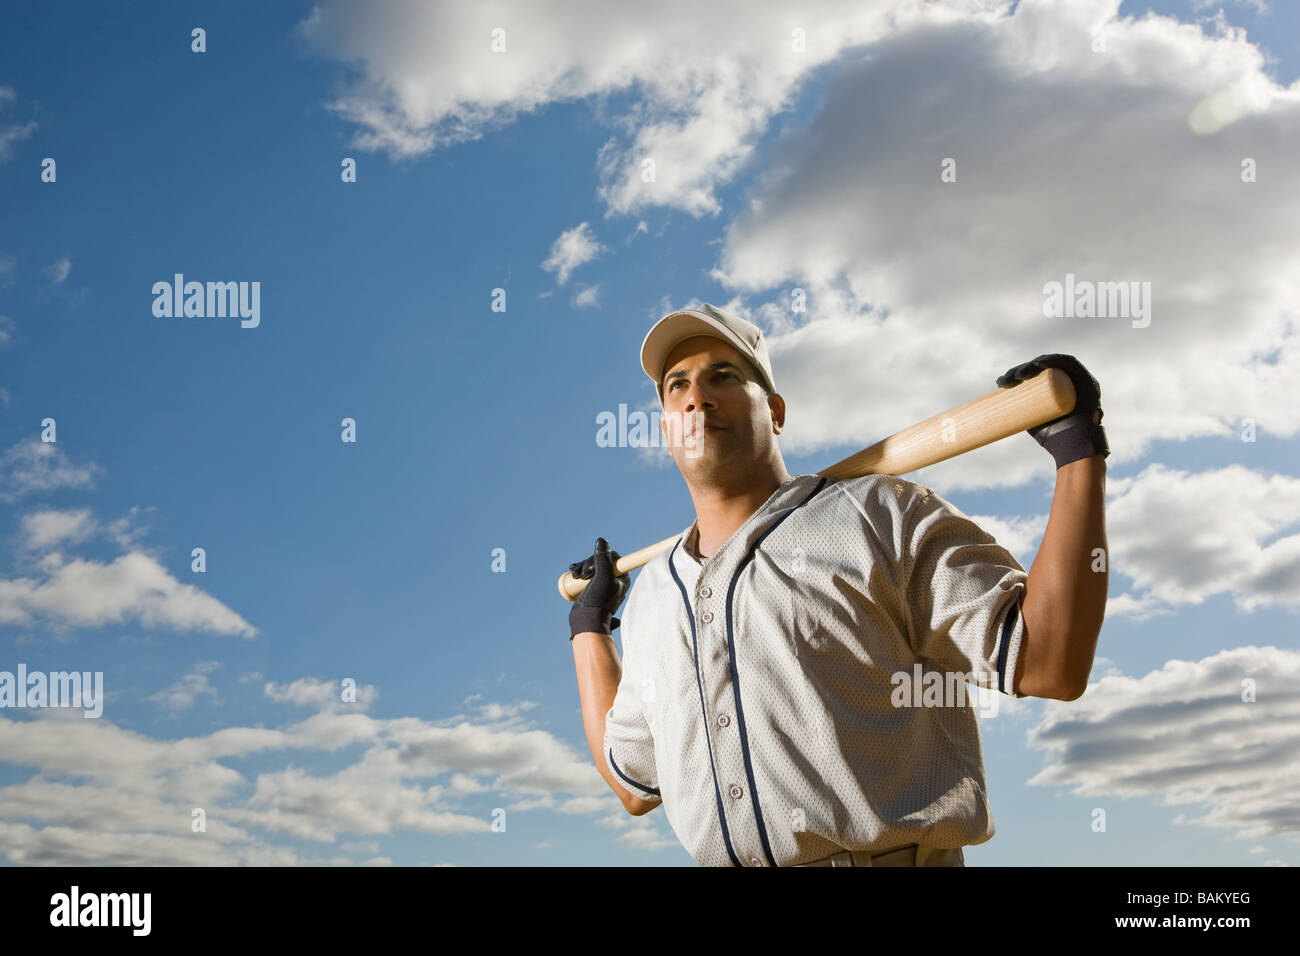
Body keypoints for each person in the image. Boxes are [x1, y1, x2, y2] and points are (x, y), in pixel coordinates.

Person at [568, 302, 1109, 867]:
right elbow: (634, 781)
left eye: (722, 377)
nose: (696, 397)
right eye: (676, 385)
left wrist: (1078, 451)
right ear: (665, 428)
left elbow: (1049, 661)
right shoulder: (654, 597)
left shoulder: (877, 514)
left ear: (775, 411)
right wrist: (590, 627)